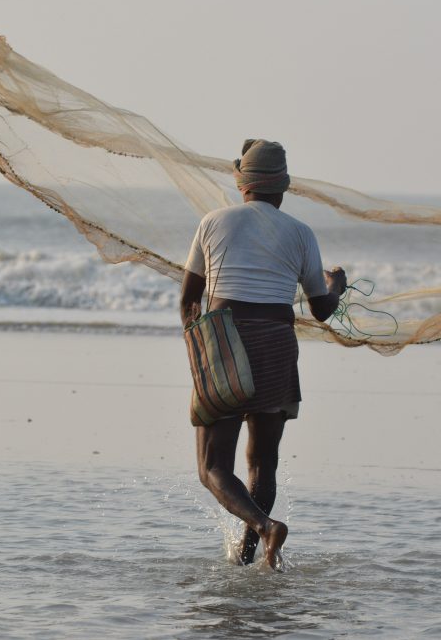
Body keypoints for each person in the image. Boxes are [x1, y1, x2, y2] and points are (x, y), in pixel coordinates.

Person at [180, 139, 347, 568]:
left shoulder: (213, 221)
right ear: (282, 189)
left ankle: (264, 527)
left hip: (227, 342)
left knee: (212, 467)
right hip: (276, 345)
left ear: (243, 185)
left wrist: (201, 355)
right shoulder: (301, 232)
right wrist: (336, 287)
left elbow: (189, 300)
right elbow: (321, 309)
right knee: (263, 465)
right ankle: (249, 555)